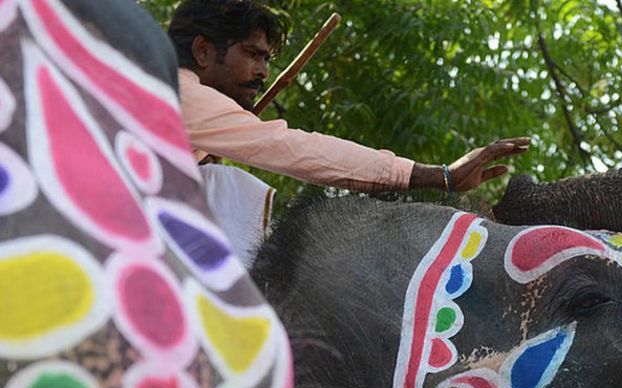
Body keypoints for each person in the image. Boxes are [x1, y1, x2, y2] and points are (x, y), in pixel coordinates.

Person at [167, 0, 529, 261]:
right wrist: (440, 176)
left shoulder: (168, 97)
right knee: (225, 184)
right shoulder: (178, 92)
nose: (263, 71)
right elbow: (293, 149)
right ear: (202, 51)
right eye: (252, 54)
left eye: (266, 59)